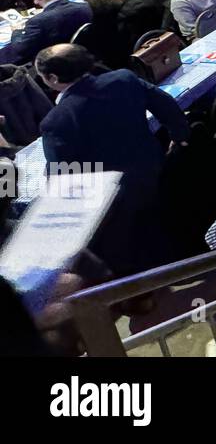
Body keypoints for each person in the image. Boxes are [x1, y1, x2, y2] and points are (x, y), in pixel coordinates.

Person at [34, 44, 190, 276]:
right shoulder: (123, 79)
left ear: (52, 78)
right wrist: (179, 138)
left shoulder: (56, 121)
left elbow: (62, 174)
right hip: (152, 165)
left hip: (109, 195)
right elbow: (165, 103)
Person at [0, 0, 92, 65]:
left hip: (54, 61)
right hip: (83, 53)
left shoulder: (38, 21)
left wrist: (17, 31)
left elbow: (20, 49)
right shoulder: (85, 6)